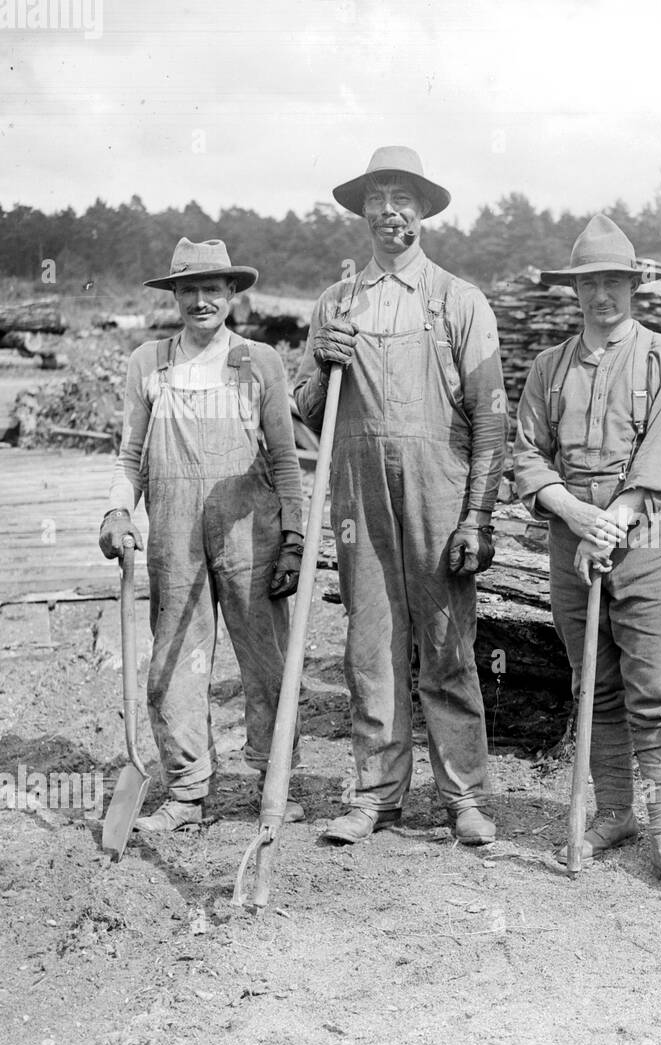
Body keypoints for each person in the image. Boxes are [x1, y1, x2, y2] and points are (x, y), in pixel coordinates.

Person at [293, 146, 507, 845]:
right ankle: (376, 794)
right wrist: (325, 360)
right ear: (362, 211)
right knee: (370, 645)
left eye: (403, 198)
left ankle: (465, 798)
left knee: (447, 645)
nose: (390, 211)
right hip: (360, 494)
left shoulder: (457, 300)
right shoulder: (336, 301)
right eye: (377, 198)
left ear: (423, 210)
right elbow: (303, 405)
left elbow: (491, 419)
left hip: (438, 491)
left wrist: (477, 516)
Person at [512, 215, 661, 894]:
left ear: (634, 285)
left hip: (644, 528)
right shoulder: (549, 366)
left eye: (614, 281)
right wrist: (570, 510)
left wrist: (616, 517)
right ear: (575, 288)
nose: (602, 294)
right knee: (593, 680)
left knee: (654, 685)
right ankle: (616, 810)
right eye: (590, 282)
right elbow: (525, 451)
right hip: (573, 529)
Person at [99, 238, 305, 832]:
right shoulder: (150, 362)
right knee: (175, 659)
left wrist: (292, 535)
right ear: (174, 296)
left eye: (211, 289)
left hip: (250, 529)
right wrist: (117, 513)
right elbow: (131, 456)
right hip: (172, 531)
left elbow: (287, 461)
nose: (200, 300)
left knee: (264, 660)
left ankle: (274, 784)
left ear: (233, 294)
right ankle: (187, 790)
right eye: (188, 289)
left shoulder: (258, 361)